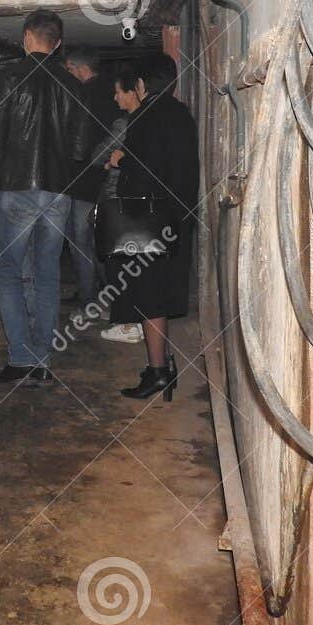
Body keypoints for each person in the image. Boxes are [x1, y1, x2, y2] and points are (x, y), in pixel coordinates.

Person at [0, 10, 93, 386]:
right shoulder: (72, 85)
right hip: (57, 191)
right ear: (57, 43)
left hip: (15, 188)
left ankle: (19, 359)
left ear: (26, 37)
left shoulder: (8, 77)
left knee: (8, 273)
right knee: (47, 275)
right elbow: (80, 148)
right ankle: (42, 361)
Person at [102, 53, 199, 401]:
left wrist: (121, 160)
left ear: (141, 85)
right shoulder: (181, 114)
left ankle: (159, 371)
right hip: (177, 218)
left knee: (149, 298)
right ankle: (162, 365)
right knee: (157, 296)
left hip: (152, 222)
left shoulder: (146, 118)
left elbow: (145, 173)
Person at [60, 47, 109, 316]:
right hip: (104, 180)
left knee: (80, 240)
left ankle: (89, 300)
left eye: (69, 70)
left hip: (82, 182)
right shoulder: (112, 93)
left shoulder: (82, 95)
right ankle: (98, 293)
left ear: (78, 68)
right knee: (99, 240)